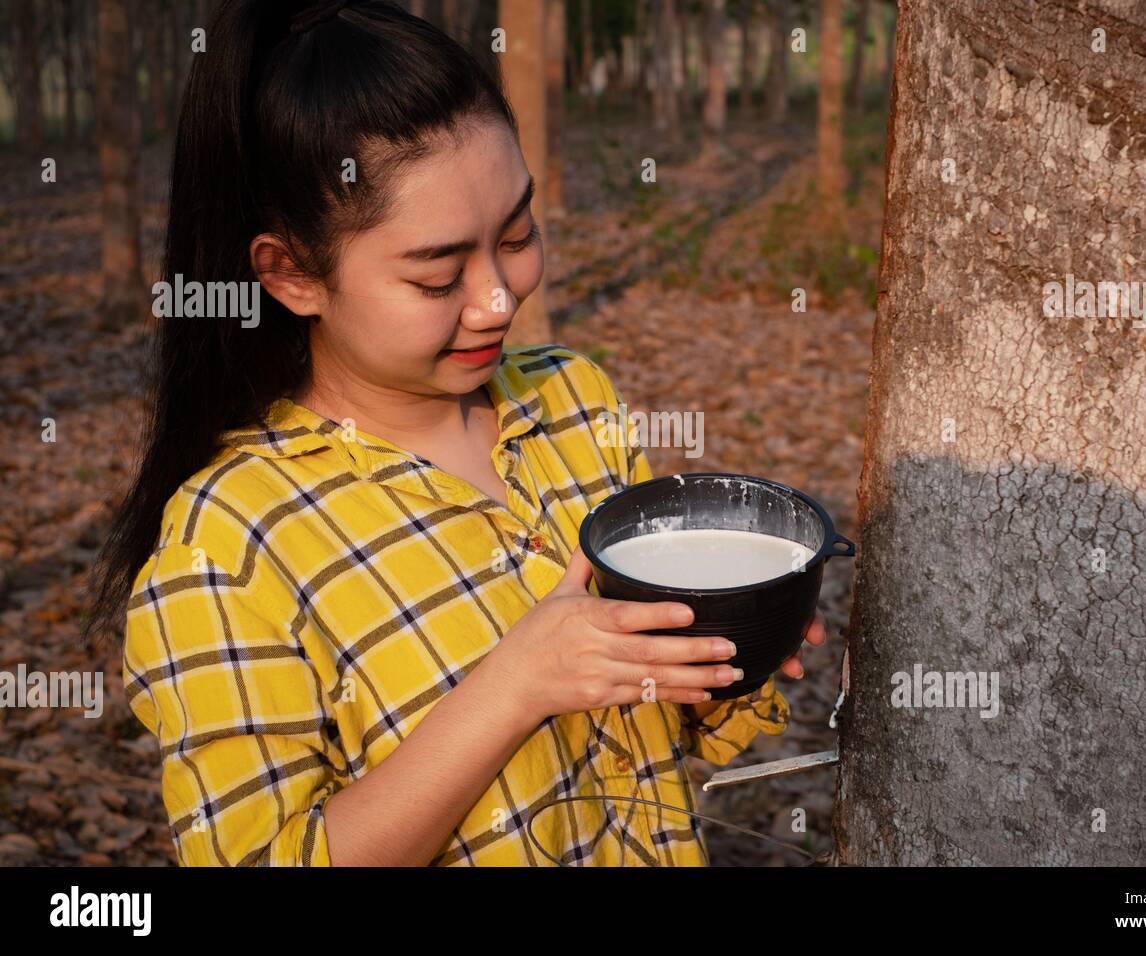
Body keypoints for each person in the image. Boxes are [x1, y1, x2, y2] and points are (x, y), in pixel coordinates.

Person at [86, 0, 823, 867]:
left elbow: (648, 745)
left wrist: (721, 653)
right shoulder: (232, 545)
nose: (500, 300)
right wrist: (514, 685)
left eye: (517, 234)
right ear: (290, 276)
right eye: (438, 277)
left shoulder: (573, 403)